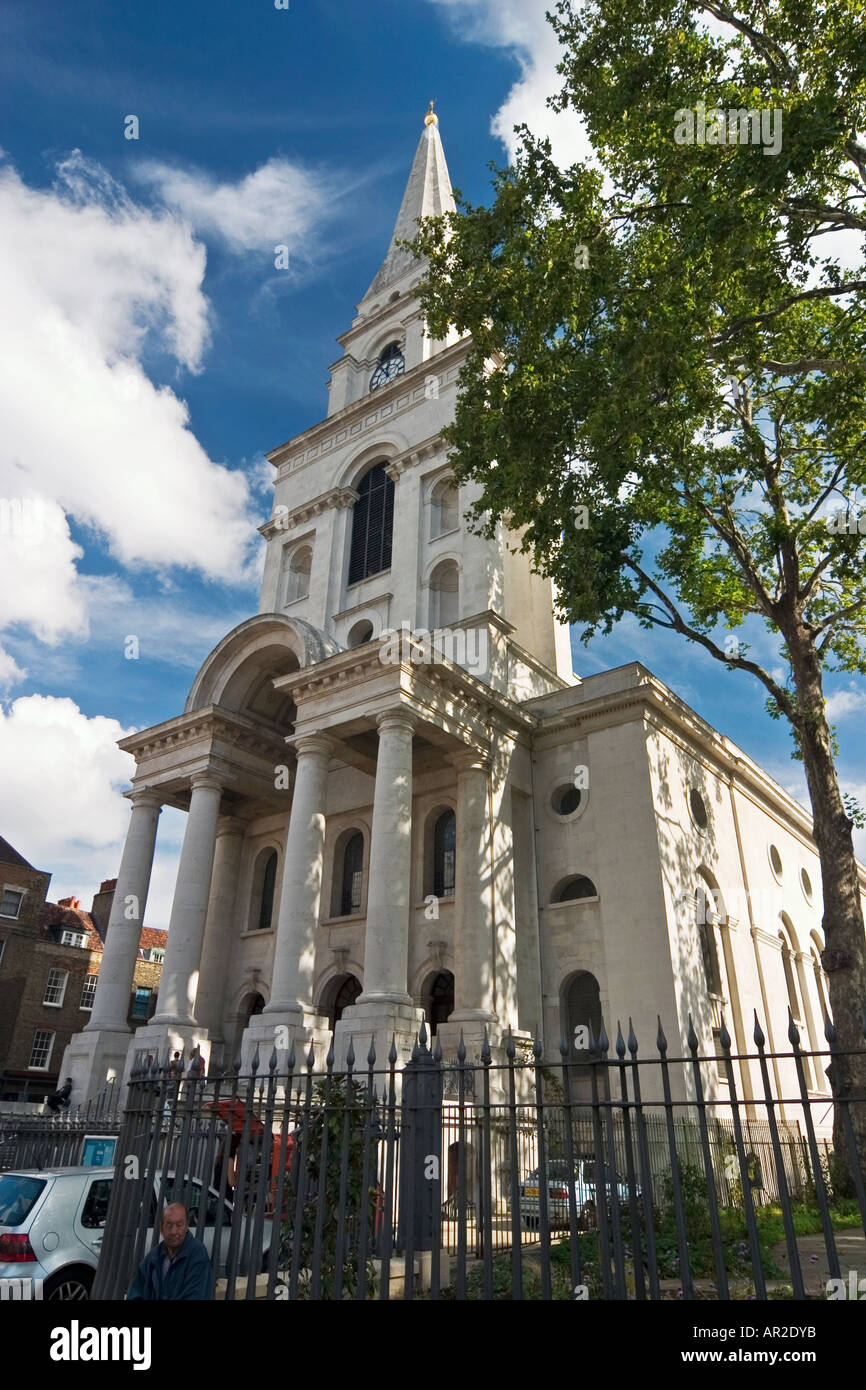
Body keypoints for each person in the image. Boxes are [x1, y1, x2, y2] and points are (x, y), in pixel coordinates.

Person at [126, 1203, 214, 1301]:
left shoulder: (197, 1254)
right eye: (169, 1225)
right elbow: (136, 1291)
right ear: (161, 1228)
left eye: (179, 1225)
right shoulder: (154, 1256)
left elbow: (196, 1295)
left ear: (186, 1226)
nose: (174, 1231)